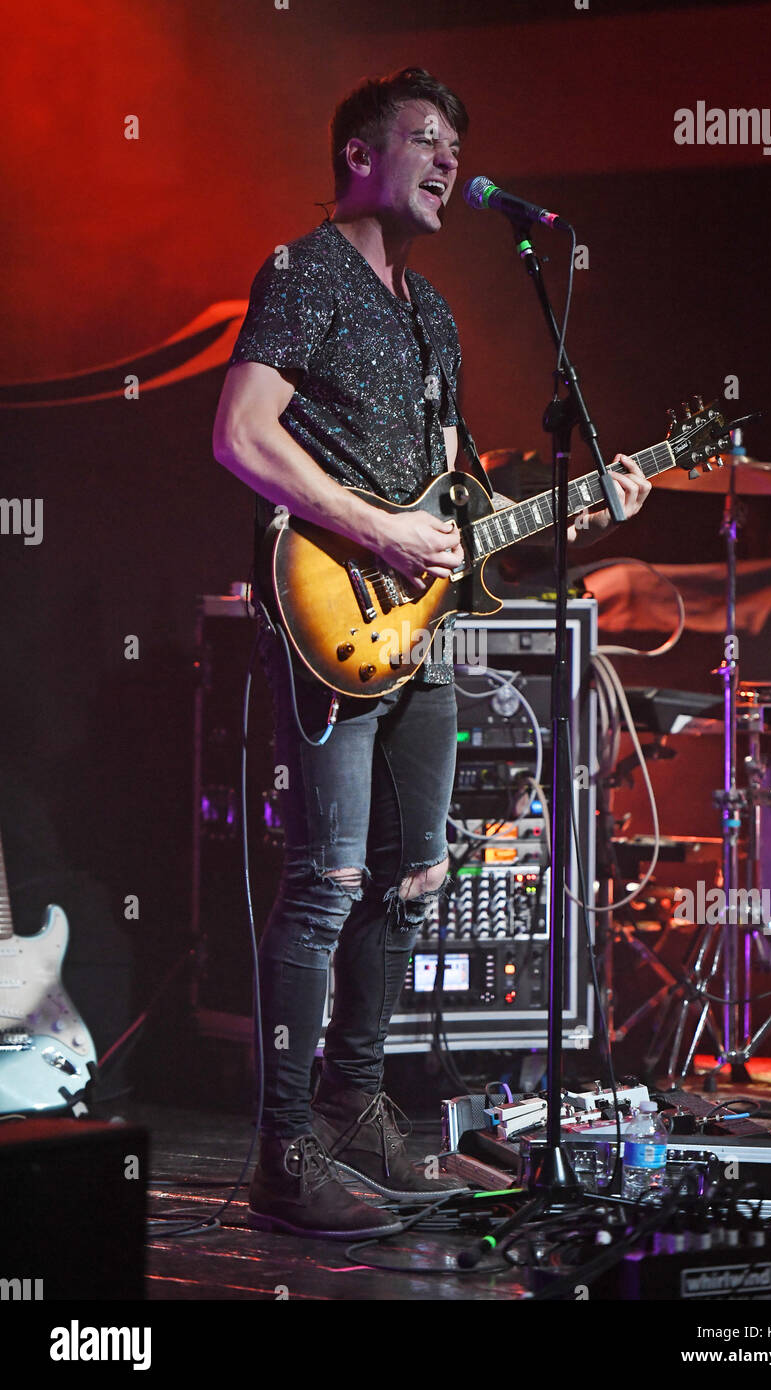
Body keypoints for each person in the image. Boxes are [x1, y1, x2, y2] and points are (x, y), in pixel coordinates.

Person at [213, 67, 651, 1240]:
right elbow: (240, 430)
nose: (450, 158)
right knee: (326, 881)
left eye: (458, 141)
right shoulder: (301, 273)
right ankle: (283, 1151)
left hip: (420, 634)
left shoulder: (434, 312)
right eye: (426, 137)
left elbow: (452, 513)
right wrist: (370, 528)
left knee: (411, 887)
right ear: (361, 153)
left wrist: (569, 505)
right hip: (329, 613)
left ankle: (357, 1111)